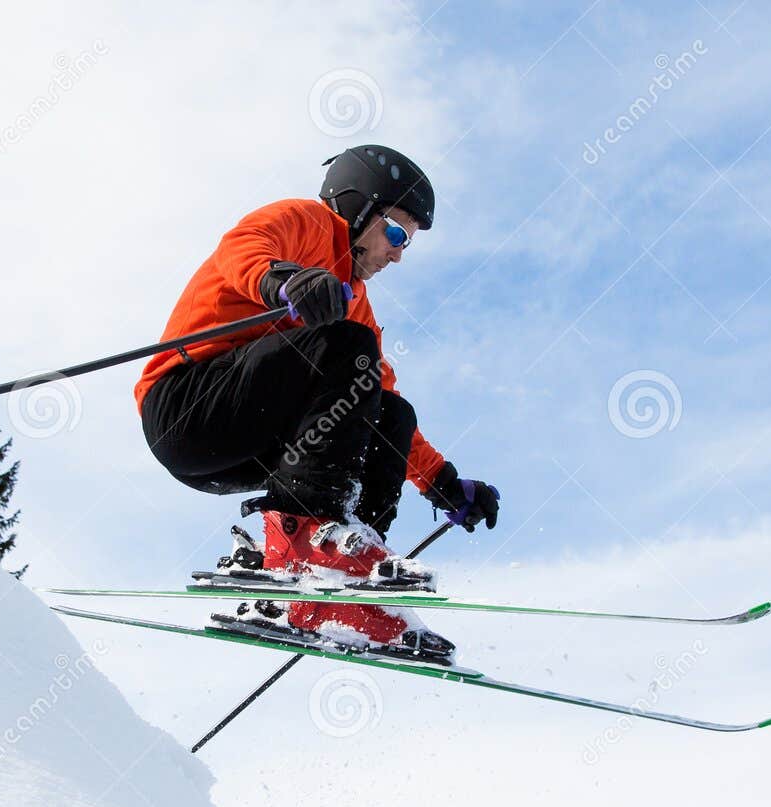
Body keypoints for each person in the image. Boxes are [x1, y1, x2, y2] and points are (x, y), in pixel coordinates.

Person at [134, 145, 498, 657]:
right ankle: (304, 547)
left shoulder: (355, 299)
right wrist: (281, 279)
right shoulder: (305, 221)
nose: (397, 253)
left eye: (406, 245)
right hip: (187, 409)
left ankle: (344, 578)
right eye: (395, 234)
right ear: (358, 209)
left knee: (390, 411)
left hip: (248, 441)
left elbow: (375, 400)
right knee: (349, 345)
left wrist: (441, 482)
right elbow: (241, 247)